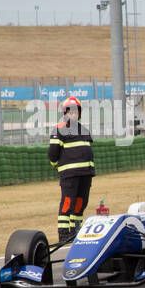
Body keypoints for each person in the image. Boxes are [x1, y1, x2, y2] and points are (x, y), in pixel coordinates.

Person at [48, 96, 95, 242]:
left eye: (76, 111)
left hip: (86, 173)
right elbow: (53, 153)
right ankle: (64, 233)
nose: (73, 114)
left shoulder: (84, 130)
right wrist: (57, 166)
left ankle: (76, 229)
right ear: (65, 113)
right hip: (69, 174)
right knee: (68, 201)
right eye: (70, 111)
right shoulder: (59, 129)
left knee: (81, 202)